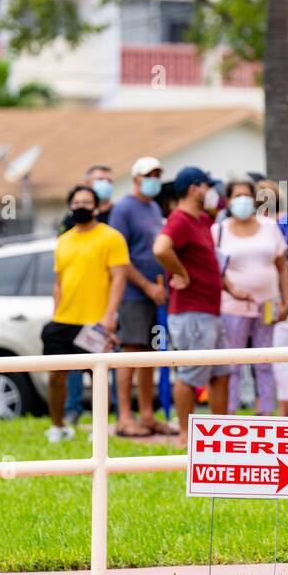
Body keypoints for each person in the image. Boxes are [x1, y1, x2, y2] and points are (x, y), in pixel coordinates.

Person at [153, 166, 251, 440]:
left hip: (210, 310)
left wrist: (231, 289)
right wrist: (180, 273)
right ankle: (185, 436)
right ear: (195, 188)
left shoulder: (202, 221)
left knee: (222, 372)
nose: (212, 193)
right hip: (190, 312)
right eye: (208, 187)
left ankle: (219, 436)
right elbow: (161, 248)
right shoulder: (181, 219)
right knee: (191, 373)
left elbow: (212, 264)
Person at [42, 185, 129, 442]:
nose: (81, 206)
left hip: (96, 322)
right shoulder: (63, 241)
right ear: (70, 206)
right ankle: (57, 427)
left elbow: (119, 278)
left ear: (97, 206)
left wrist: (110, 315)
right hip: (64, 321)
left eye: (87, 202)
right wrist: (56, 312)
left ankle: (99, 431)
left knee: (99, 378)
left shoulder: (111, 237)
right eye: (76, 202)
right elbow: (58, 282)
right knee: (56, 376)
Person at [213, 178, 288, 415]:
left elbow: (282, 267)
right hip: (233, 307)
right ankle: (230, 414)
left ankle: (266, 413)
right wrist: (233, 289)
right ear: (228, 201)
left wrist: (287, 301)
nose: (243, 201)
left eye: (246, 195)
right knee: (233, 362)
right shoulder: (218, 231)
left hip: (268, 304)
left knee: (265, 360)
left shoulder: (269, 226)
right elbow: (216, 269)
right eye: (237, 196)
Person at [108, 157, 174, 436]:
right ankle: (124, 417)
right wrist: (147, 286)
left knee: (149, 354)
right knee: (131, 352)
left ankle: (147, 415)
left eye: (158, 174)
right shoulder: (123, 209)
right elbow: (119, 259)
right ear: (135, 178)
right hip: (134, 294)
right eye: (149, 175)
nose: (154, 179)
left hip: (157, 295)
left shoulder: (154, 207)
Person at [258, 178, 288, 417]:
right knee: (278, 357)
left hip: (282, 304)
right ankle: (287, 414)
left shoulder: (281, 228)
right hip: (284, 304)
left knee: (279, 358)